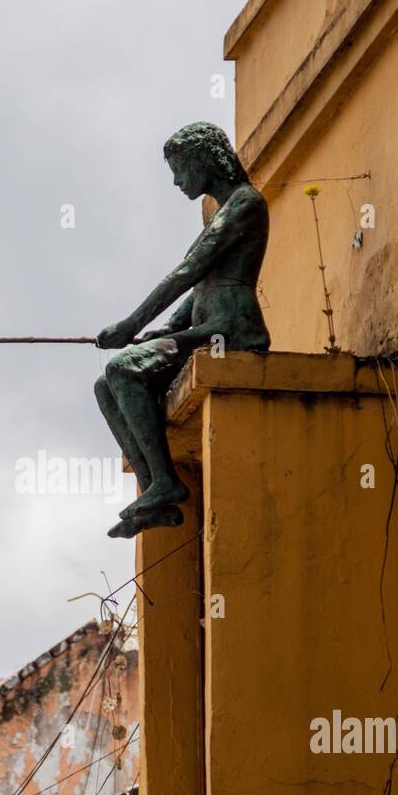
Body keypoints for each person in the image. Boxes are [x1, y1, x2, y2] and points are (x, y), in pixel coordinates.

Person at [95, 121, 270, 538]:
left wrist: (131, 325)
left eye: (180, 169)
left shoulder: (245, 203)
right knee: (107, 386)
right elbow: (197, 292)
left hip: (231, 329)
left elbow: (190, 273)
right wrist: (164, 330)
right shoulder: (220, 213)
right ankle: (155, 485)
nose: (177, 181)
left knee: (123, 370)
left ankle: (165, 481)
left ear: (203, 160)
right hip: (207, 326)